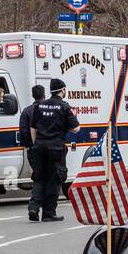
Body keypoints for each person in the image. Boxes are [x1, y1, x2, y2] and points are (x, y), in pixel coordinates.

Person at [28, 78, 79, 222]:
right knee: (54, 179)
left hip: (39, 146)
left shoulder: (40, 106)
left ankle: (33, 208)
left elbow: (33, 127)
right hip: (56, 148)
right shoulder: (64, 107)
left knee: (39, 177)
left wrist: (36, 144)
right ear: (62, 90)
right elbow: (75, 129)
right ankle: (48, 213)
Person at [17, 84, 46, 190]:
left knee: (38, 175)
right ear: (44, 95)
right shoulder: (50, 110)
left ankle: (38, 197)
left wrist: (28, 146)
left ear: (33, 95)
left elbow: (24, 131)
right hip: (50, 148)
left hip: (34, 150)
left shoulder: (26, 111)